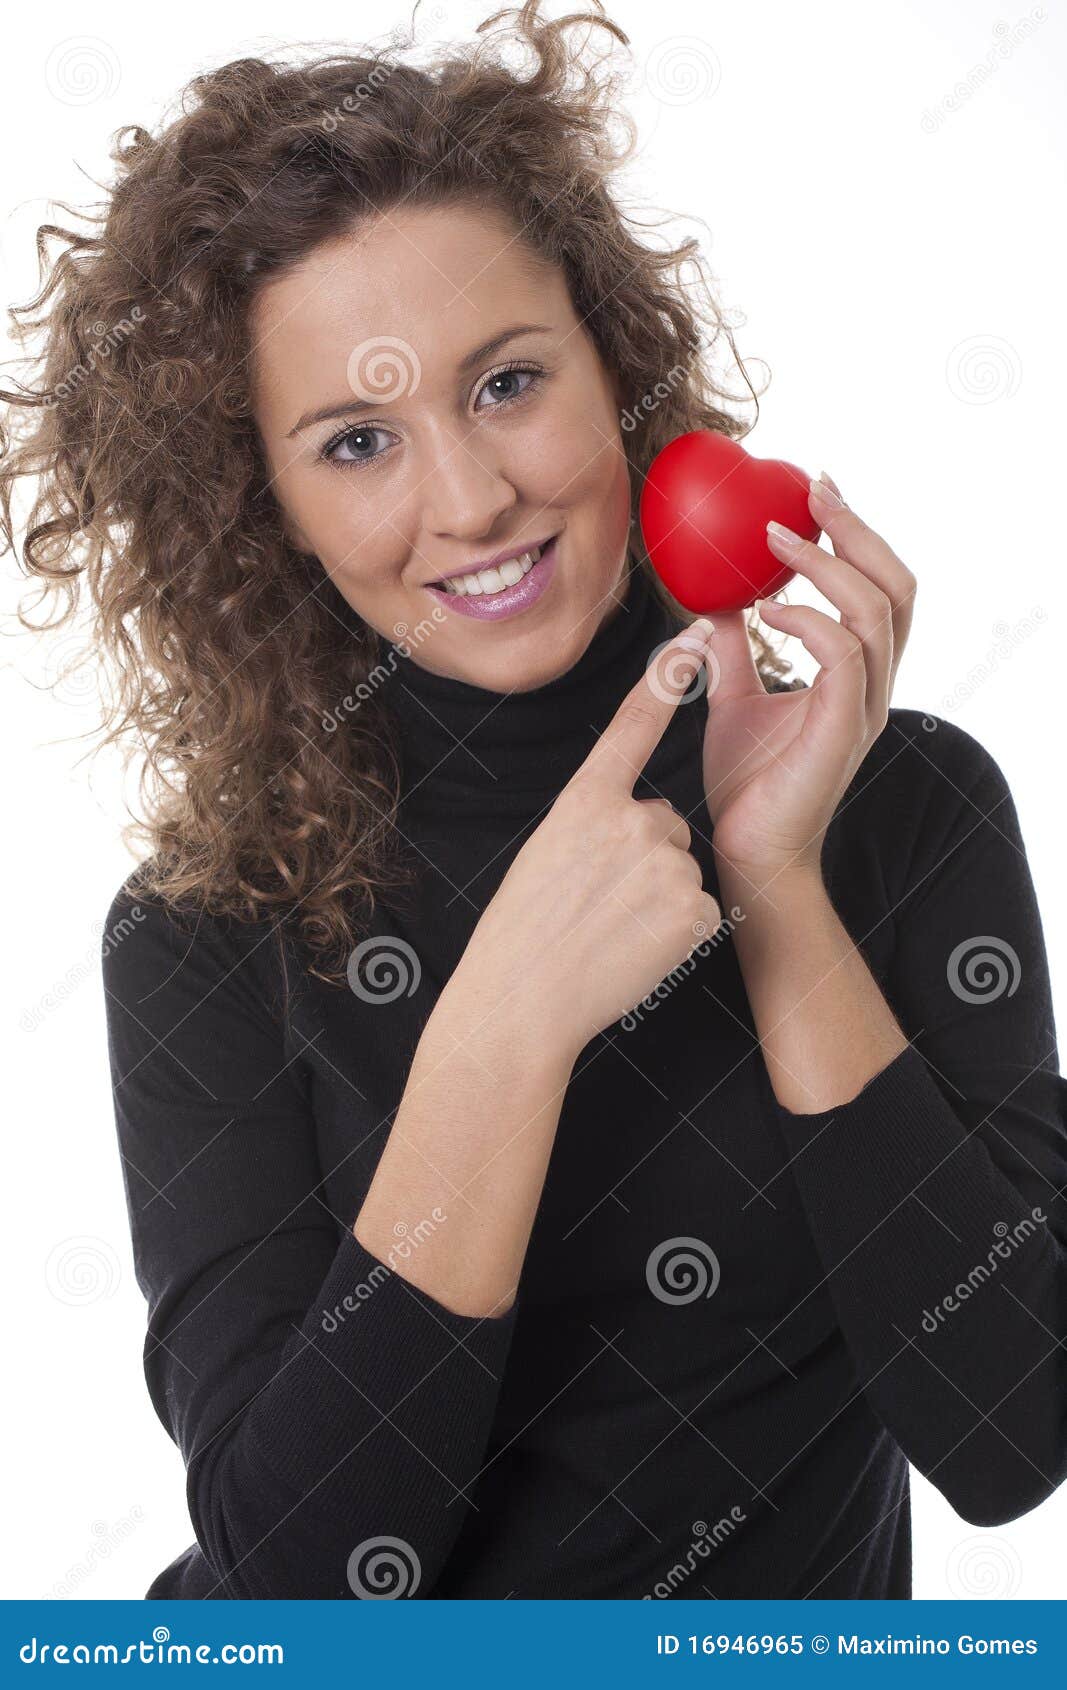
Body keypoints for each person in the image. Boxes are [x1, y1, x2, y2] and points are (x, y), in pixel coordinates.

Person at [4, 2, 1065, 1601]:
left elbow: (1008, 1439)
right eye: (357, 440)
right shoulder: (207, 927)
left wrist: (777, 887)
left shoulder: (900, 804)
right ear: (263, 504)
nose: (471, 496)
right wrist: (504, 1027)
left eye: (506, 383)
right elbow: (296, 1587)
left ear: (616, 367)